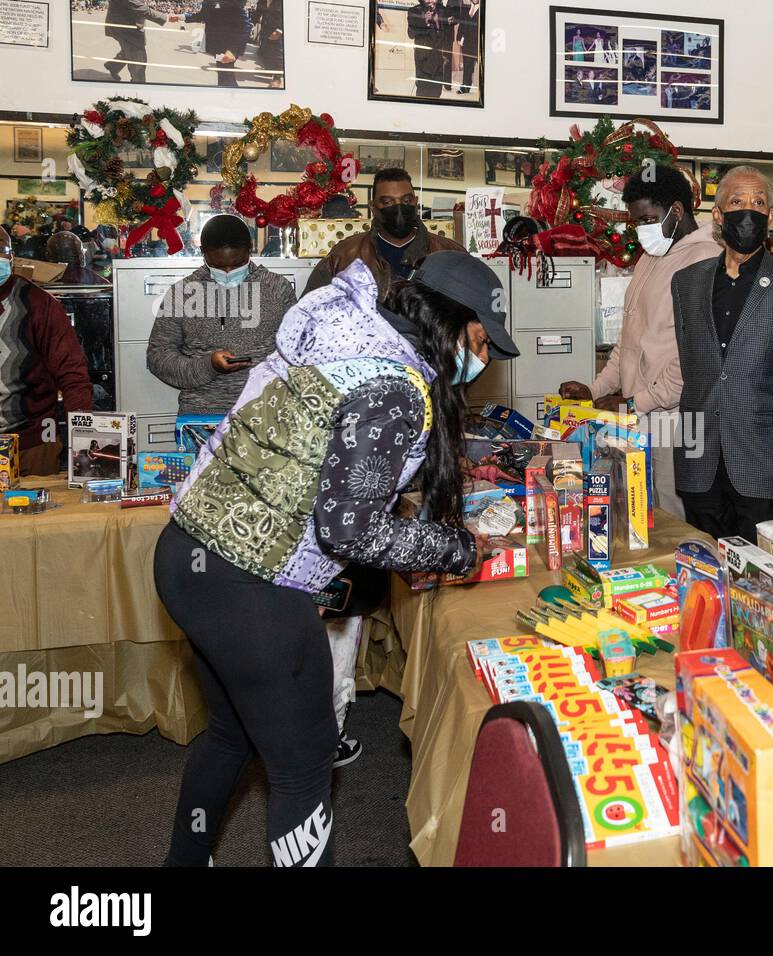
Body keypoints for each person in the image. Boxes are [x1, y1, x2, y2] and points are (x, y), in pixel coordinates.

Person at [154, 252, 518, 866]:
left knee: (232, 734)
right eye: (480, 340)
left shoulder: (352, 333)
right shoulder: (396, 386)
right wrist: (456, 549)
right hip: (251, 582)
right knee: (303, 766)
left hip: (188, 553)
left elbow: (332, 468)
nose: (480, 362)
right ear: (450, 321)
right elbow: (350, 529)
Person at [558, 164, 720, 521]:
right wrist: (594, 388)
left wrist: (635, 403)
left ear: (677, 211)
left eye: (648, 219)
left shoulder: (706, 260)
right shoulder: (650, 259)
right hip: (637, 419)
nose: (642, 231)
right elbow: (628, 343)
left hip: (675, 422)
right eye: (636, 223)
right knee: (638, 516)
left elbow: (694, 360)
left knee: (671, 518)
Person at [671, 167, 773, 541]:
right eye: (737, 202)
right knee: (701, 575)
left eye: (759, 203)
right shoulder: (686, 283)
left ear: (770, 216)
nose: (748, 210)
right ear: (718, 215)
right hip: (698, 460)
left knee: (764, 585)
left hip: (765, 467)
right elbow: (693, 368)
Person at [147, 215, 296, 416]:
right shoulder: (181, 293)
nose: (227, 272)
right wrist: (209, 366)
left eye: (236, 265)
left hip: (265, 414)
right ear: (203, 253)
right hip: (201, 416)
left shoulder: (278, 288)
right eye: (218, 266)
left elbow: (297, 352)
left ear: (250, 249)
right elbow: (158, 357)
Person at [0, 226, 94, 475]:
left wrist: (82, 441)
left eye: (2, 250)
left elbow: (73, 374)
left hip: (32, 443)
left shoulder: (38, 304)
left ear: (12, 256)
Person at [304, 168, 462, 300]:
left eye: (406, 201)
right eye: (387, 202)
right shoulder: (344, 256)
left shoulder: (450, 254)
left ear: (415, 202)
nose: (398, 207)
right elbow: (309, 313)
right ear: (373, 207)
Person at [174, 0, 251, 89]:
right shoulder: (207, 2)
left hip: (229, 46)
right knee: (224, 75)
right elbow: (203, 15)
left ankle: (232, 97)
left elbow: (246, 26)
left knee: (225, 75)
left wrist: (233, 51)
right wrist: (181, 17)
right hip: (217, 44)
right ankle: (229, 96)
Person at [104, 0, 167, 83]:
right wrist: (164, 17)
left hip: (127, 26)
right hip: (125, 29)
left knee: (128, 51)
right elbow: (139, 7)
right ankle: (138, 86)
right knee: (138, 59)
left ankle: (113, 66)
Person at [409, 0, 451, 98]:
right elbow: (411, 34)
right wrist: (425, 22)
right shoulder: (414, 11)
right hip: (423, 60)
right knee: (422, 92)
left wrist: (436, 22)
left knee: (437, 93)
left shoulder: (443, 12)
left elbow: (444, 36)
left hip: (438, 60)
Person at [251, 0, 284, 89]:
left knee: (278, 56)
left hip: (278, 33)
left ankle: (277, 79)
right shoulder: (262, 1)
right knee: (267, 53)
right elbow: (256, 14)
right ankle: (269, 71)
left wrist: (279, 31)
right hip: (265, 31)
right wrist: (250, 24)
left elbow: (288, 16)